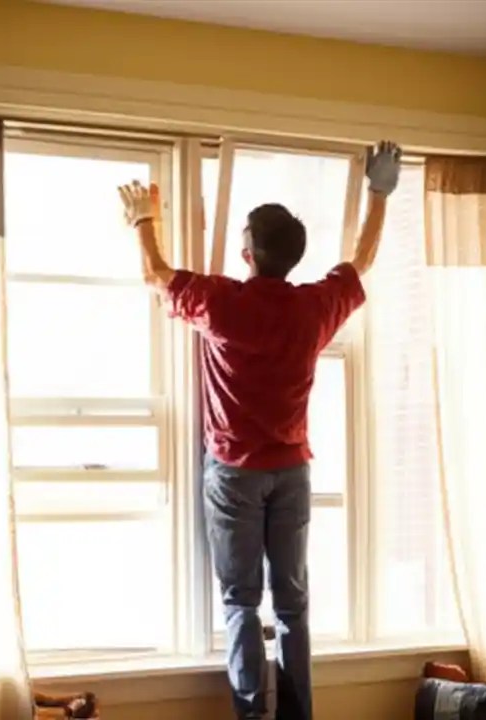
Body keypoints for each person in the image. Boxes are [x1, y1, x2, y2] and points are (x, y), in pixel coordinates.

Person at [115, 141, 403, 720]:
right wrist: (378, 193)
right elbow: (363, 260)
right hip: (291, 469)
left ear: (247, 252)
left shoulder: (222, 303)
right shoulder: (314, 307)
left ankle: (252, 715)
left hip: (236, 474)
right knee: (293, 606)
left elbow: (156, 275)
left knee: (241, 601)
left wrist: (145, 219)